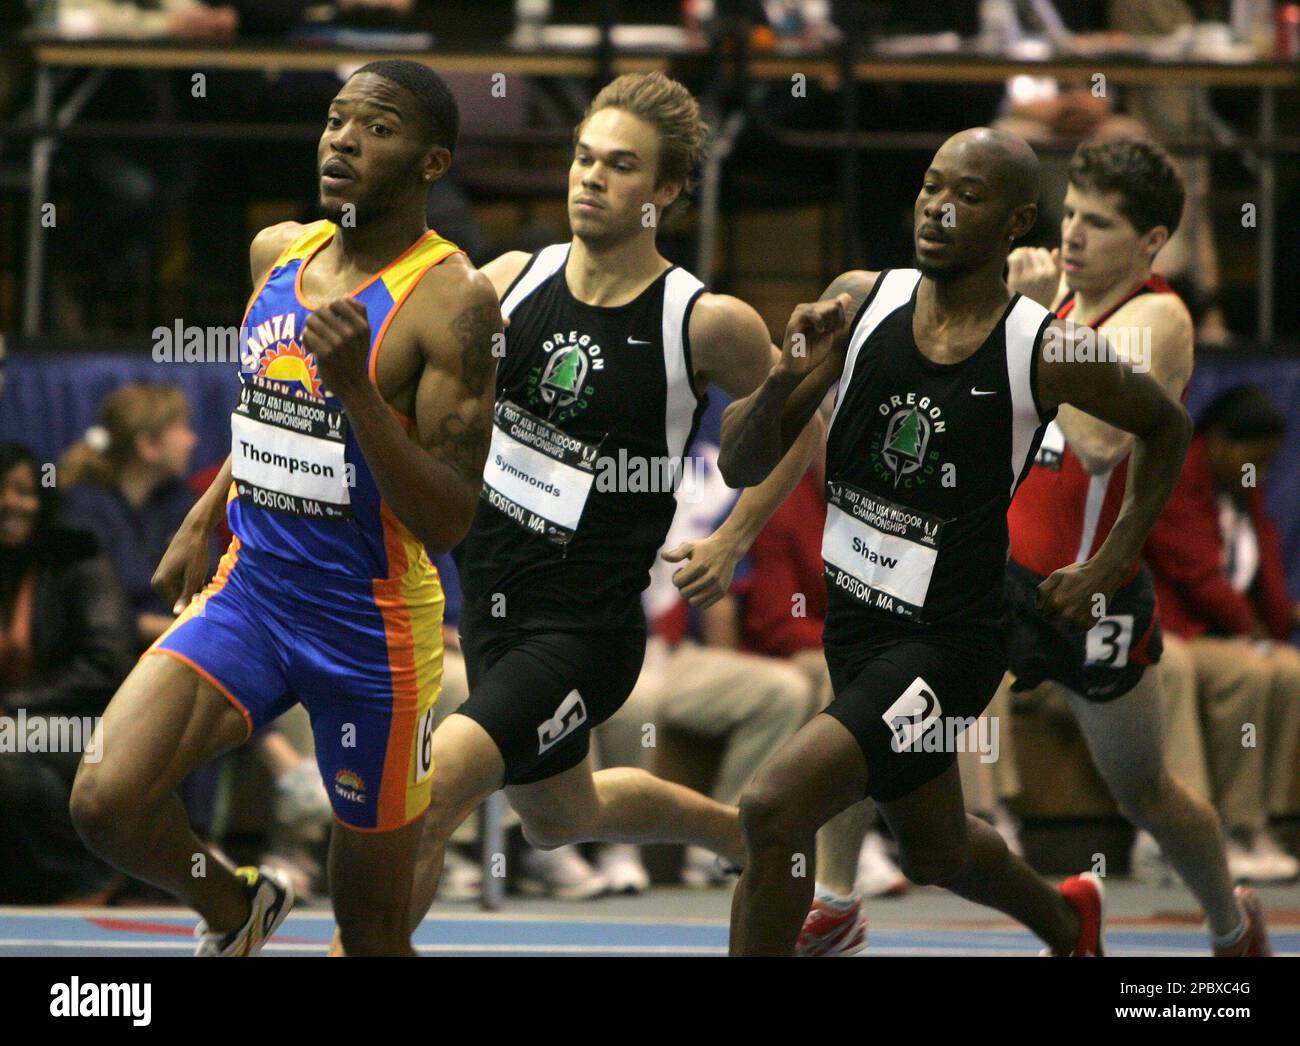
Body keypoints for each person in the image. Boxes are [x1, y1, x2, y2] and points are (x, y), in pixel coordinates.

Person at [375, 71, 823, 952]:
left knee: (428, 801)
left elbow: (799, 429)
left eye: (620, 167)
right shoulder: (503, 281)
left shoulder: (702, 320)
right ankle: (747, 836)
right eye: (583, 158)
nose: (590, 178)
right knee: (558, 815)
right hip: (492, 604)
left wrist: (732, 536)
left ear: (663, 192)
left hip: (585, 632)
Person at [717, 126, 1192, 956]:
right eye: (932, 186)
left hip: (951, 642)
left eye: (968, 196)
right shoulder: (861, 301)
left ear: (1015, 224)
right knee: (935, 848)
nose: (938, 207)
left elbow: (1166, 424)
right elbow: (737, 461)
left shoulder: (1043, 349)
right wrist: (790, 372)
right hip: (855, 625)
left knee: (772, 807)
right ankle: (1066, 921)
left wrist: (1112, 559)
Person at [70, 59, 500, 957]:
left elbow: (450, 517)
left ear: (432, 162)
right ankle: (237, 909)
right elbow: (275, 406)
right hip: (253, 594)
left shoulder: (453, 302)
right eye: (337, 120)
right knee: (105, 802)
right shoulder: (279, 252)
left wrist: (361, 395)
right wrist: (209, 509)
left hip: (370, 631)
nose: (343, 140)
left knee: (371, 934)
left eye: (377, 128)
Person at [1003, 138, 1269, 954]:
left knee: (1145, 791)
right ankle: (835, 896)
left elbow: (1098, 442)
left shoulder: (1157, 317)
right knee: (874, 713)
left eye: (1101, 223)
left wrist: (1037, 319)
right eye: (1071, 215)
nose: (1073, 236)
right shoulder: (1045, 299)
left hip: (1094, 595)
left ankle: (1230, 925)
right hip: (1003, 580)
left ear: (1150, 243)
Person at [1145, 384, 1300, 882]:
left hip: (1217, 634)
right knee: (1249, 672)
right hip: (1174, 629)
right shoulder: (1177, 477)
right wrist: (1253, 631)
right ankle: (1208, 832)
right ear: (1216, 442)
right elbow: (1198, 577)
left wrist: (1278, 625)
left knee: (1290, 670)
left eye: (1270, 463)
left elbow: (1265, 573)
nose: (1259, 472)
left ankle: (1252, 822)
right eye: (1253, 459)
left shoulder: (1241, 487)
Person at [0, 442, 135, 904]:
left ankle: (87, 878)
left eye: (23, 490)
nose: (11, 503)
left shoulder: (79, 562)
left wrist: (13, 706)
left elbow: (107, 664)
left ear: (43, 500)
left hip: (83, 725)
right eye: (1, 490)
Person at [59, 383, 200, 649]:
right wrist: (180, 631)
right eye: (181, 428)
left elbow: (209, 583)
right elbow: (90, 613)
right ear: (147, 445)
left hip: (180, 644)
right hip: (117, 659)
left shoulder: (180, 501)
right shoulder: (85, 509)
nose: (192, 440)